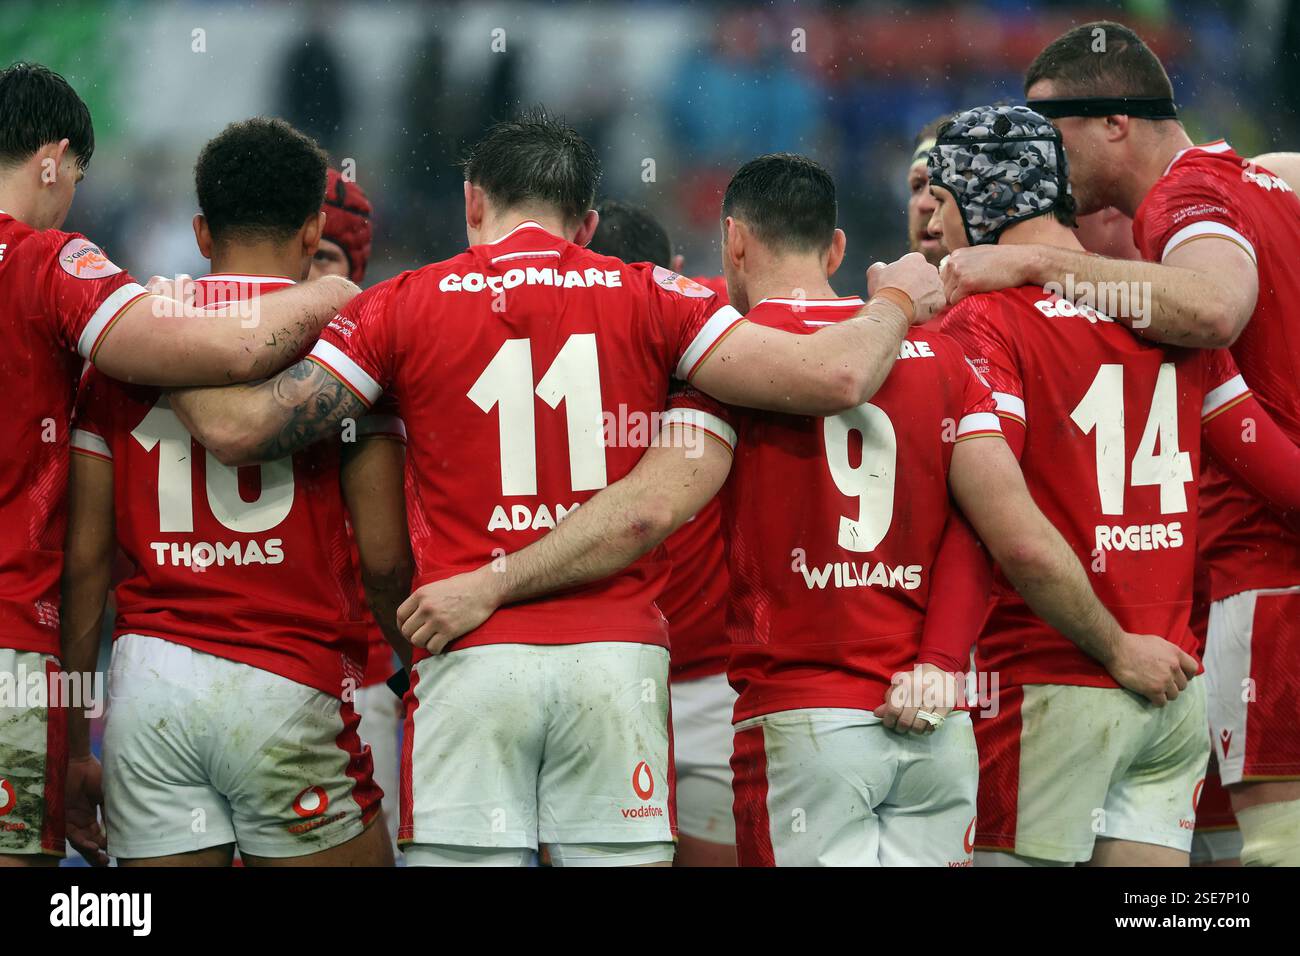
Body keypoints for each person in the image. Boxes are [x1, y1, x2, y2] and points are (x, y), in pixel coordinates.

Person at [166, 108, 944, 867]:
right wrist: (899, 298)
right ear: (587, 222)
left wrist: (164, 333)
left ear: (472, 201)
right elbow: (835, 374)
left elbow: (242, 430)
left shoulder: (399, 304)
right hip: (616, 667)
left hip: (466, 656)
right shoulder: (659, 297)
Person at [397, 153, 1203, 868]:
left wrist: (495, 578)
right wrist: (943, 664)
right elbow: (1012, 538)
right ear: (839, 249)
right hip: (933, 722)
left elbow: (651, 509)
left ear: (734, 245)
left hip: (804, 720)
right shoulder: (945, 356)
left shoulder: (729, 367)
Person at [939, 21, 1300, 866]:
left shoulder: (1182, 200)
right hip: (1201, 620)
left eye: (1050, 132)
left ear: (1115, 123)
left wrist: (1035, 268)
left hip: (1248, 581)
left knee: (1277, 848)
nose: (1039, 162)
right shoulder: (1263, 183)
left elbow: (1214, 308)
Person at [0, 63, 355, 868]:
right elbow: (229, 350)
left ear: (201, 233)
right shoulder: (48, 263)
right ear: (54, 158)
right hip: (18, 635)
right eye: (75, 180)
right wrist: (335, 299)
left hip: (152, 692)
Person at [61, 119, 404, 867]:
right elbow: (383, 558)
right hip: (288, 679)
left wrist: (71, 732)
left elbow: (84, 563)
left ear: (200, 229)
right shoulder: (346, 341)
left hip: (148, 688)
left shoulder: (126, 346)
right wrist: (420, 672)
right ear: (315, 230)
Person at [589, 199, 736, 866]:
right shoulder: (714, 312)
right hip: (704, 682)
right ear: (675, 271)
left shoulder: (520, 333)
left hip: (593, 668)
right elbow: (816, 307)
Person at [307, 167, 408, 860]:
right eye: (301, 253)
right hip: (253, 657)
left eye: (326, 259)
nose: (307, 275)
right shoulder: (205, 348)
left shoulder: (384, 369)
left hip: (361, 677)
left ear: (355, 271)